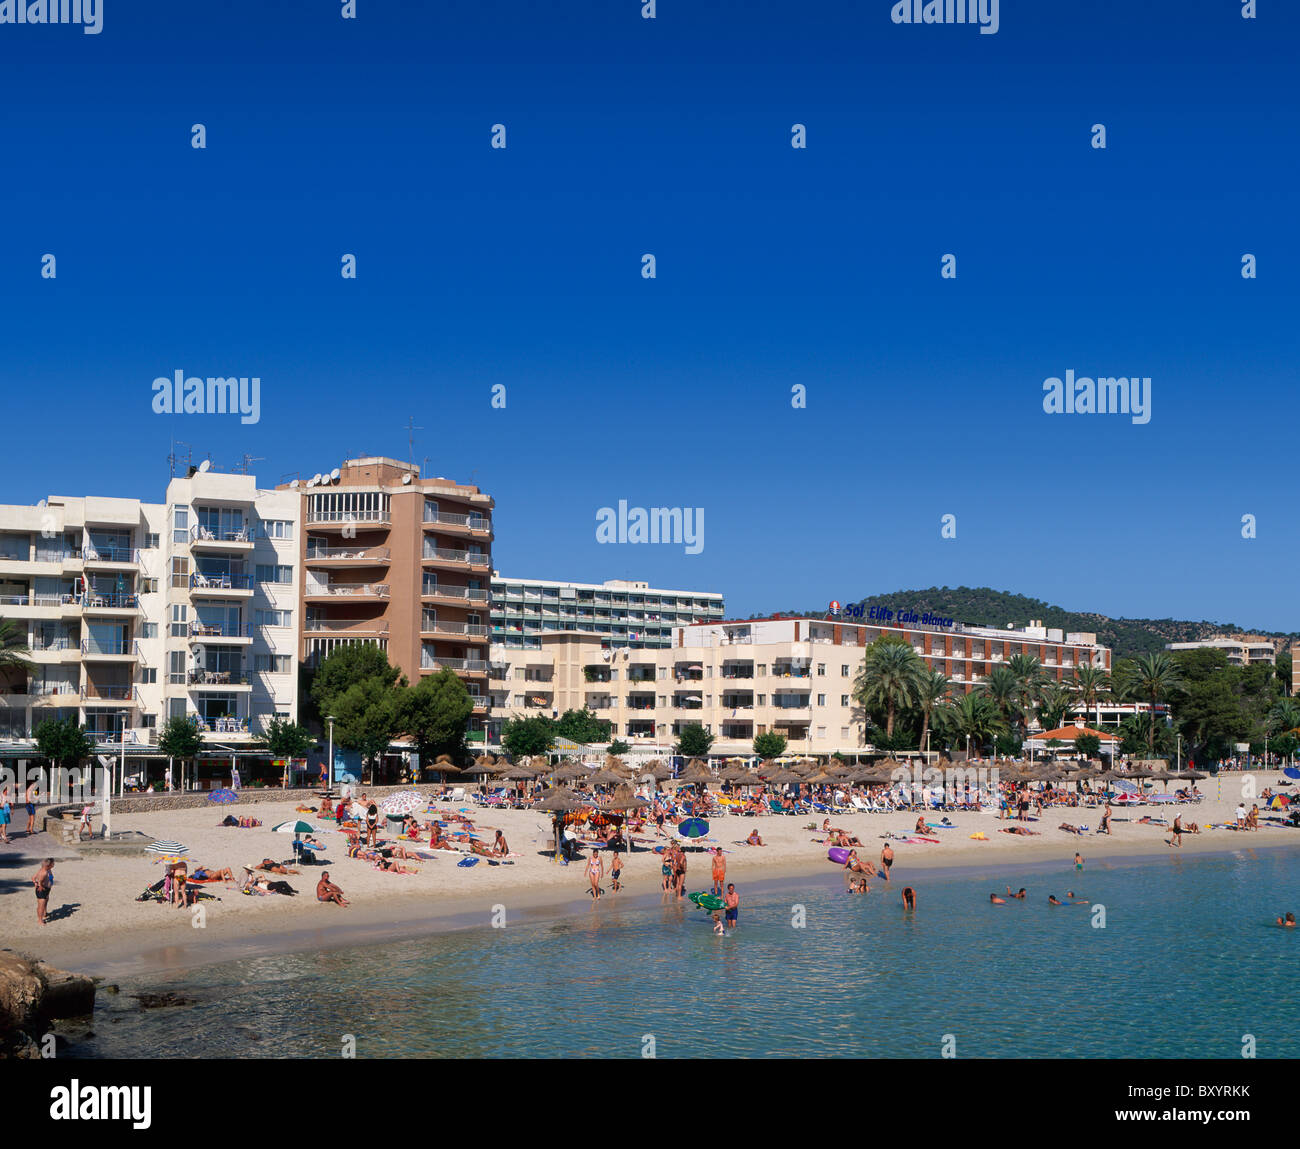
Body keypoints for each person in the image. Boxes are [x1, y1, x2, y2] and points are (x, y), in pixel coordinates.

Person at [32, 858, 54, 926]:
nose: (54, 864)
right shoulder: (43, 872)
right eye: (53, 864)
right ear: (48, 865)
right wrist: (39, 885)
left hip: (47, 889)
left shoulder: (48, 870)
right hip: (42, 890)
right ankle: (40, 920)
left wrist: (35, 882)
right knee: (40, 906)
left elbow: (33, 878)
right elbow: (40, 880)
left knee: (46, 901)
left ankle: (45, 913)